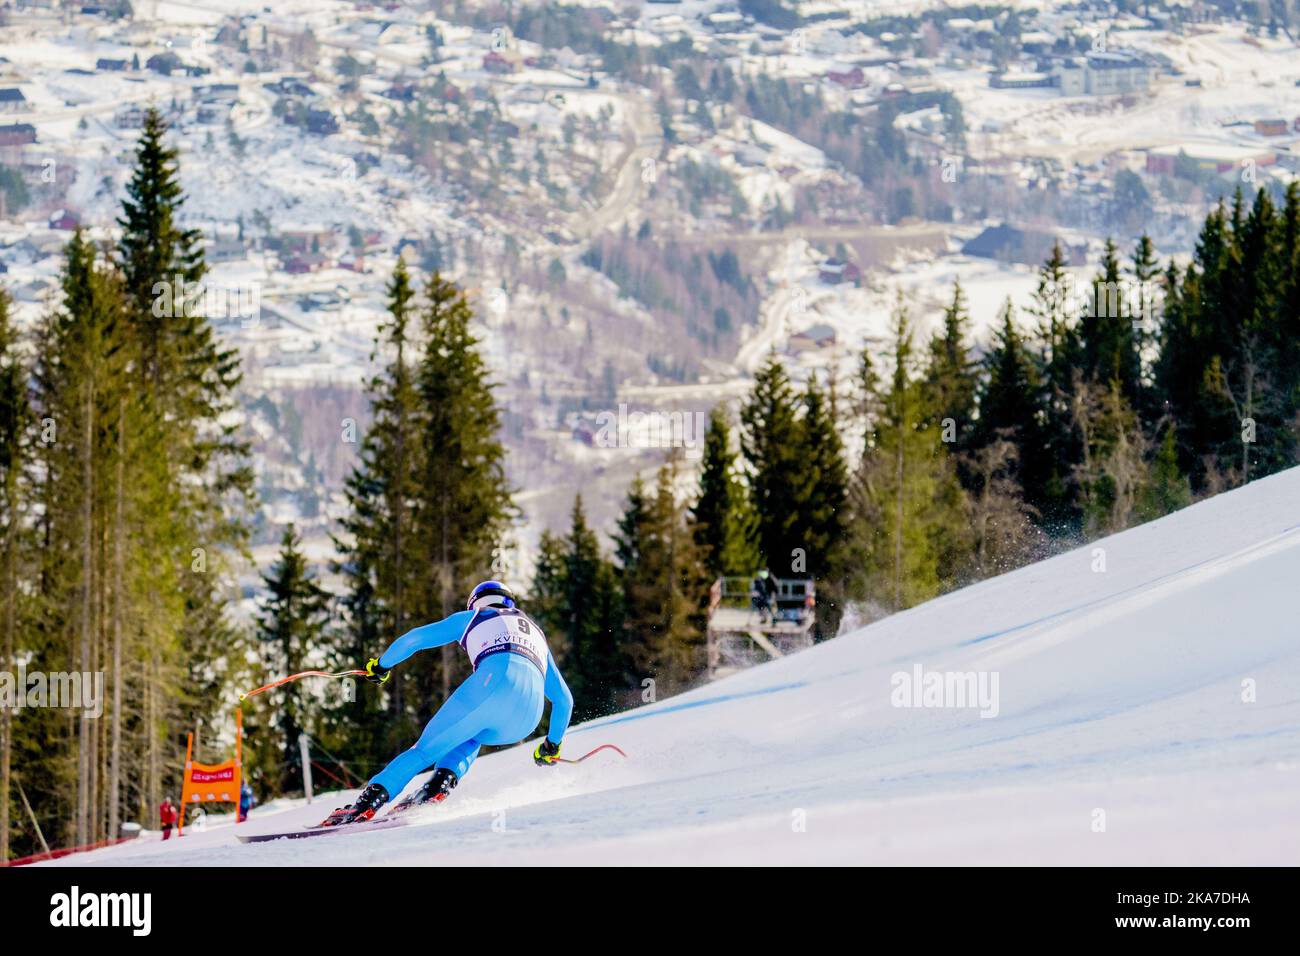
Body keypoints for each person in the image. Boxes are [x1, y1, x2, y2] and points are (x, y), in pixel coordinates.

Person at [320, 580, 574, 826]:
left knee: (423, 750)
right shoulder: (537, 635)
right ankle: (436, 787)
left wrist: (380, 666)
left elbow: (413, 639)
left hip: (492, 684)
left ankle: (366, 804)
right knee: (473, 736)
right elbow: (564, 700)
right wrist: (551, 745)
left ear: (475, 602)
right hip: (527, 718)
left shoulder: (476, 616)